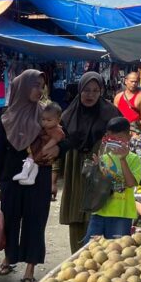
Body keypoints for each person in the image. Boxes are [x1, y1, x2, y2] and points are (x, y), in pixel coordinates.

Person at [0, 69, 54, 282]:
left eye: (41, 85)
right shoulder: (7, 117)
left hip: (39, 176)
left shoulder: (45, 114)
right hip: (11, 177)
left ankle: (30, 266)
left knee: (35, 221)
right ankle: (9, 257)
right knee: (10, 220)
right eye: (35, 85)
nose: (39, 90)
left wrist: (56, 163)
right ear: (23, 87)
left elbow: (60, 138)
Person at [56, 71, 123, 251]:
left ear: (101, 91)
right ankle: (76, 256)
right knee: (77, 211)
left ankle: (96, 258)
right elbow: (58, 145)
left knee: (98, 210)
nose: (90, 95)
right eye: (86, 90)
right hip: (75, 167)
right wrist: (54, 176)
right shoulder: (68, 114)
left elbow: (122, 139)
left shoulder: (111, 113)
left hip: (102, 166)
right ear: (79, 91)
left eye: (95, 90)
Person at [85, 117, 141, 242]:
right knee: (89, 248)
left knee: (118, 249)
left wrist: (122, 159)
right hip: (99, 211)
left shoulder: (134, 159)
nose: (115, 141)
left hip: (121, 214)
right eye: (112, 138)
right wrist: (95, 170)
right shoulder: (104, 158)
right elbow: (96, 184)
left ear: (129, 137)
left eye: (120, 137)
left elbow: (131, 183)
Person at [13, 102, 64, 186]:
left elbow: (54, 141)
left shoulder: (57, 130)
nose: (45, 122)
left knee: (32, 159)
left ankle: (25, 173)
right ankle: (29, 177)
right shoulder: (45, 128)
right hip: (39, 150)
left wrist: (45, 148)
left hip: (44, 153)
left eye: (49, 120)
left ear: (58, 120)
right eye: (43, 119)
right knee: (34, 163)